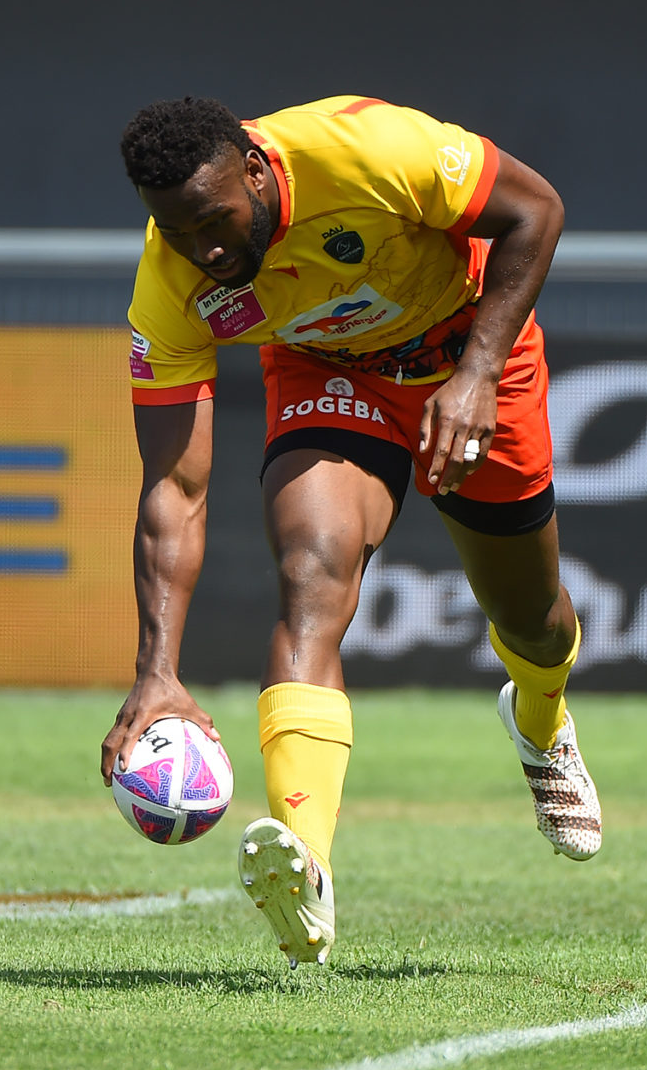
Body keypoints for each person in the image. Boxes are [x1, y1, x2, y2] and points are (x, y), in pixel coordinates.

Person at [99, 95, 602, 968]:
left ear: (255, 170)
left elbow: (537, 209)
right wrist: (157, 671)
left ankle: (540, 716)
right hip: (327, 372)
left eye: (215, 220)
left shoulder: (367, 149)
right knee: (311, 573)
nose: (204, 250)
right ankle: (308, 868)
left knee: (532, 620)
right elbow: (175, 487)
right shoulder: (171, 286)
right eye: (178, 232)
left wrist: (479, 372)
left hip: (468, 353)